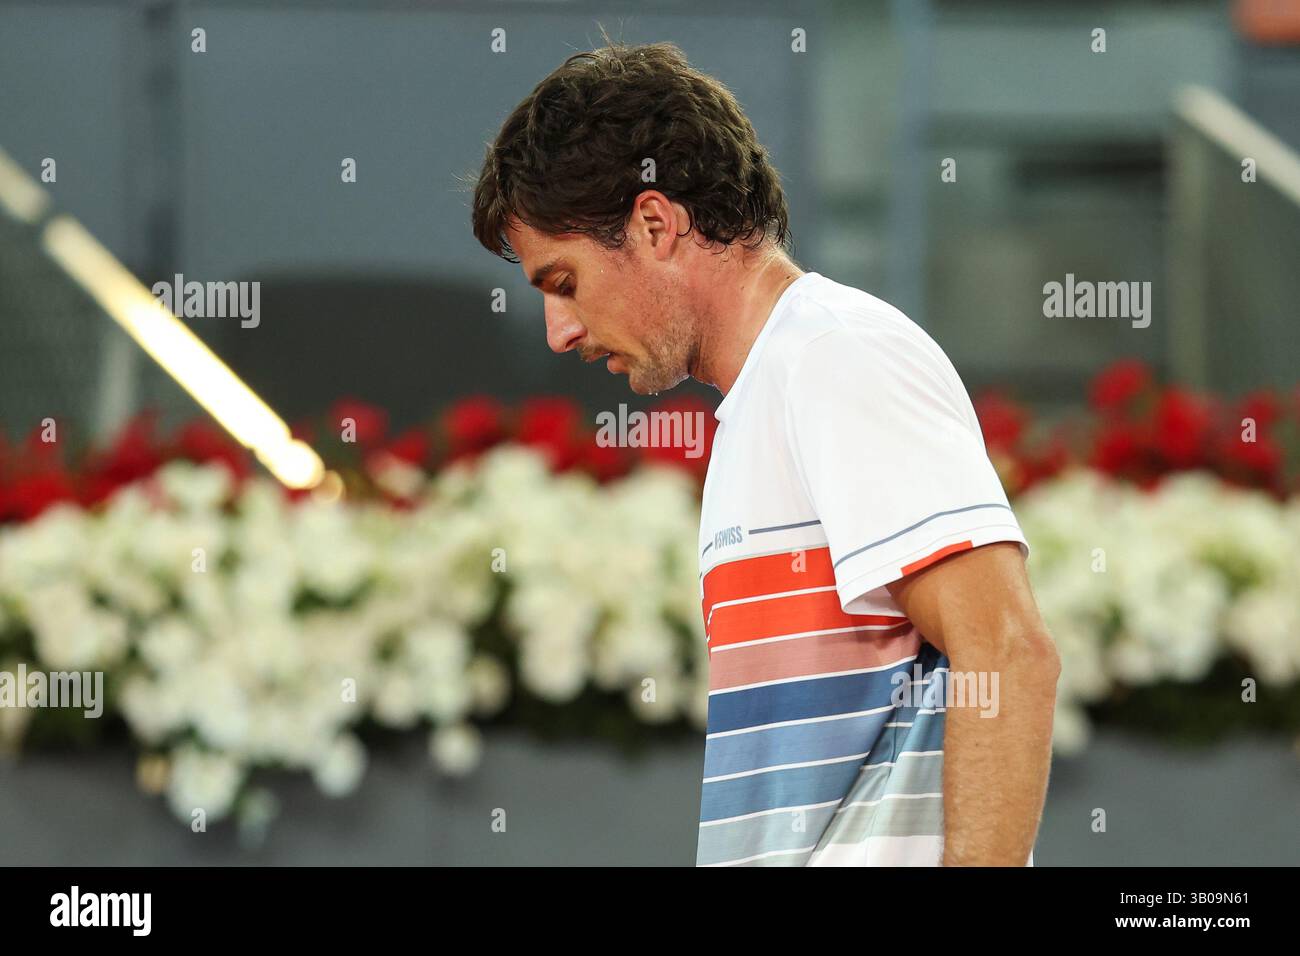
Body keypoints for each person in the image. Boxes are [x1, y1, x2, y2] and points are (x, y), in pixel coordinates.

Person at [471, 40, 1059, 867]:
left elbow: (1009, 652)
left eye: (563, 283)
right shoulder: (771, 393)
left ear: (653, 224)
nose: (559, 331)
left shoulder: (833, 356)